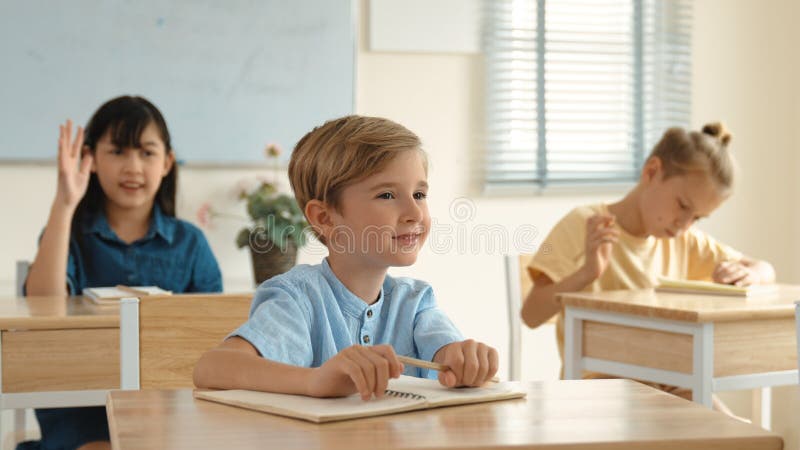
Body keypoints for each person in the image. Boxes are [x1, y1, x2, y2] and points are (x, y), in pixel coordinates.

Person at [194, 115, 499, 400]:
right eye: (387, 195)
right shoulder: (298, 299)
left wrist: (466, 360)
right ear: (324, 217)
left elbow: (448, 355)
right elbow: (212, 368)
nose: (414, 213)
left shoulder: (416, 303)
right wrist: (315, 380)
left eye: (419, 194)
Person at [521, 122, 775, 412]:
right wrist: (587, 273)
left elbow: (764, 268)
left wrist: (753, 273)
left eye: (697, 218)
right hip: (599, 386)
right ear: (652, 171)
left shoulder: (686, 241)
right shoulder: (585, 225)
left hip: (670, 381)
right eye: (682, 205)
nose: (684, 224)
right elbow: (530, 314)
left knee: (741, 437)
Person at [23, 95, 222, 450]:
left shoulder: (189, 243)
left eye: (146, 153)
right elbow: (40, 306)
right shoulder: (67, 233)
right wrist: (64, 203)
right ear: (91, 159)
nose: (132, 167)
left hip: (166, 405)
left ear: (167, 163)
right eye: (117, 151)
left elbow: (216, 336)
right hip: (78, 402)